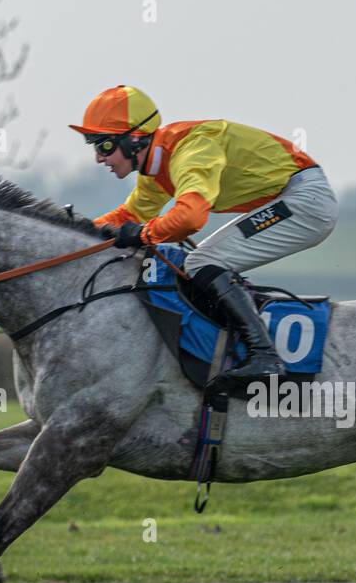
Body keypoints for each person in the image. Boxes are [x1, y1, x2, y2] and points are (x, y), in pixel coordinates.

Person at [70, 85, 338, 390]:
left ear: (135, 139)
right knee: (201, 263)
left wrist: (143, 234)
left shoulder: (191, 148)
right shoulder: (156, 168)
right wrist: (76, 231)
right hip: (292, 197)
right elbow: (128, 216)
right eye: (93, 146)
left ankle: (264, 356)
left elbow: (190, 217)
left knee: (203, 261)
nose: (98, 158)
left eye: (104, 146)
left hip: (305, 200)